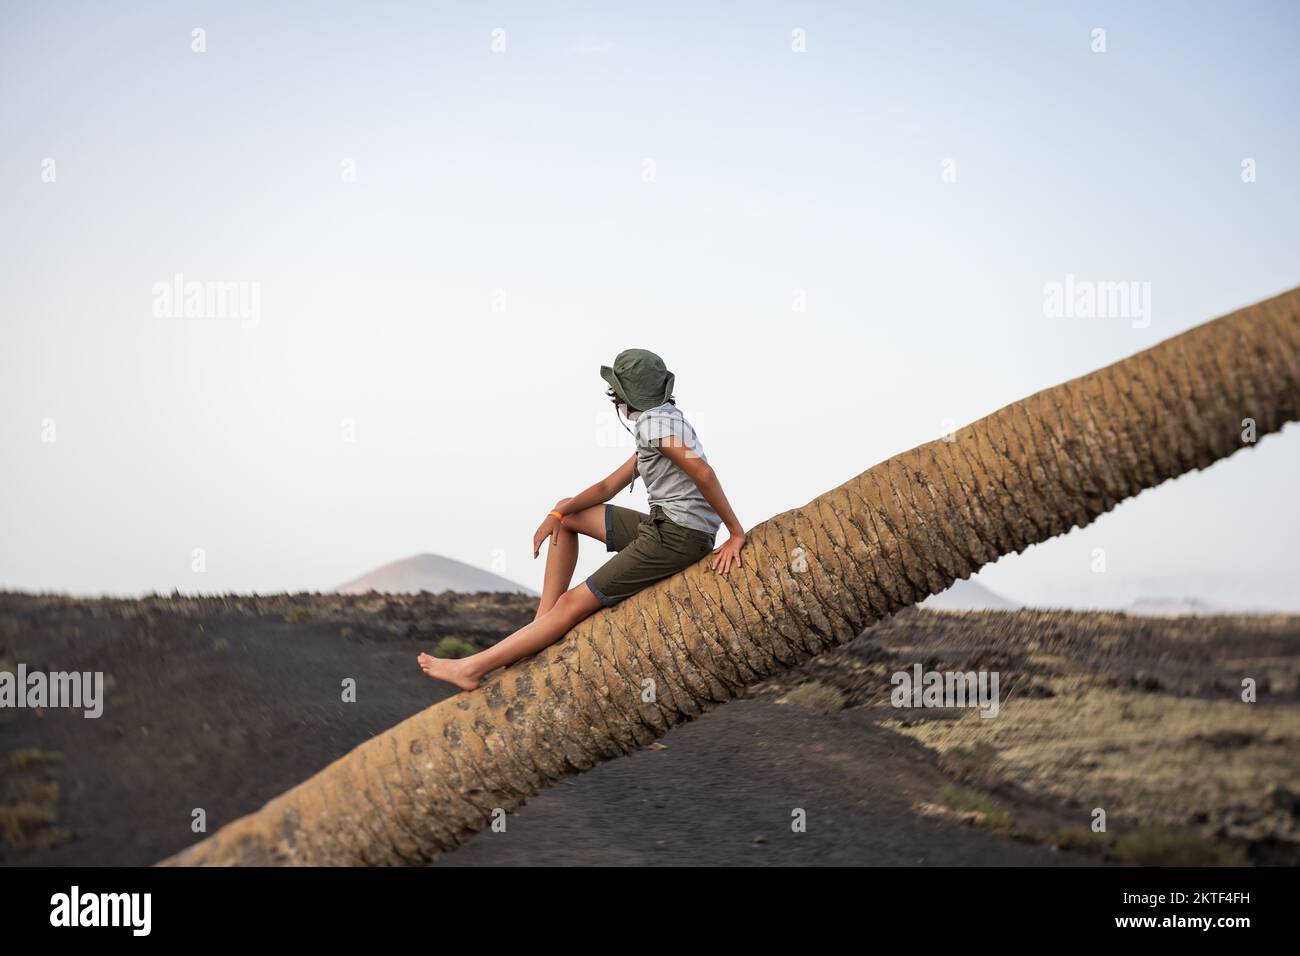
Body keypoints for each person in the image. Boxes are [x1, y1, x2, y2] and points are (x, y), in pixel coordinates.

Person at [418, 348, 747, 691]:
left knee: (572, 603)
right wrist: (557, 513)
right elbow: (608, 486)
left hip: (676, 537)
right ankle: (541, 626)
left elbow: (703, 472)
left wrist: (735, 533)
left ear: (622, 395)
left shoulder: (653, 424)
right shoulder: (667, 419)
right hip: (665, 526)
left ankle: (471, 669)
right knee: (567, 513)